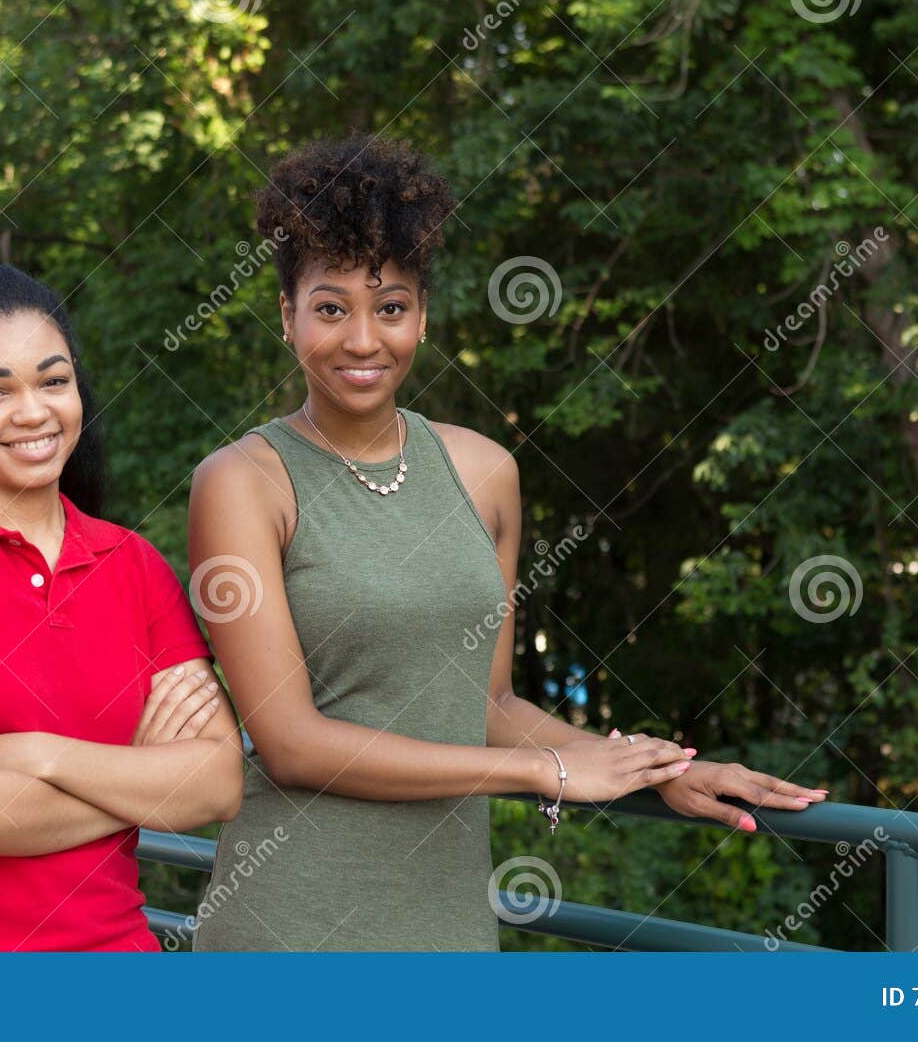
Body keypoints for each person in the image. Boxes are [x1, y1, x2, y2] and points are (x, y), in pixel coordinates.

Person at [187, 136, 827, 950]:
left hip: (447, 924)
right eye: (329, 306)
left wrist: (655, 768)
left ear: (423, 313)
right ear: (286, 315)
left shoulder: (485, 472)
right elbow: (291, 744)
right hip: (292, 925)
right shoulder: (242, 481)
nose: (362, 339)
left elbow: (487, 707)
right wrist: (547, 773)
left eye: (390, 306)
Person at [0, 261, 242, 951]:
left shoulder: (136, 566)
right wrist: (136, 779)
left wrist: (31, 753)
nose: (33, 411)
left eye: (53, 380)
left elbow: (214, 784)